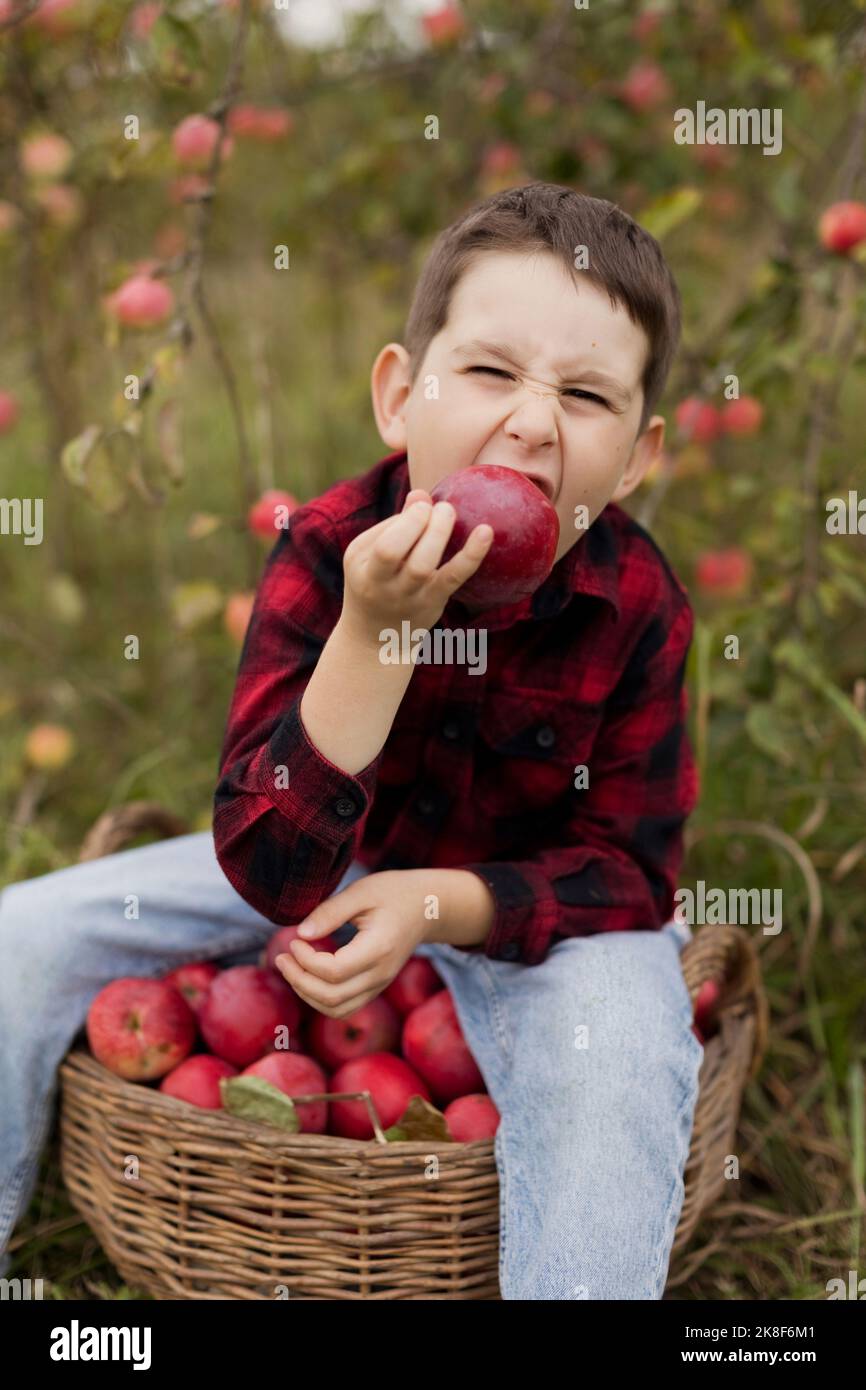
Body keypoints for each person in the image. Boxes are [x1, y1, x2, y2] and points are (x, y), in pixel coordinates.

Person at [0, 184, 703, 1298]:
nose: (530, 422)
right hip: (327, 867)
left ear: (632, 459)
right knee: (17, 938)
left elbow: (630, 871)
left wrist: (437, 904)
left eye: (583, 395)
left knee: (620, 1053)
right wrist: (375, 632)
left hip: (537, 911)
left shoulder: (639, 604)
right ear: (396, 396)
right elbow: (270, 867)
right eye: (487, 371)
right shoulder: (328, 553)